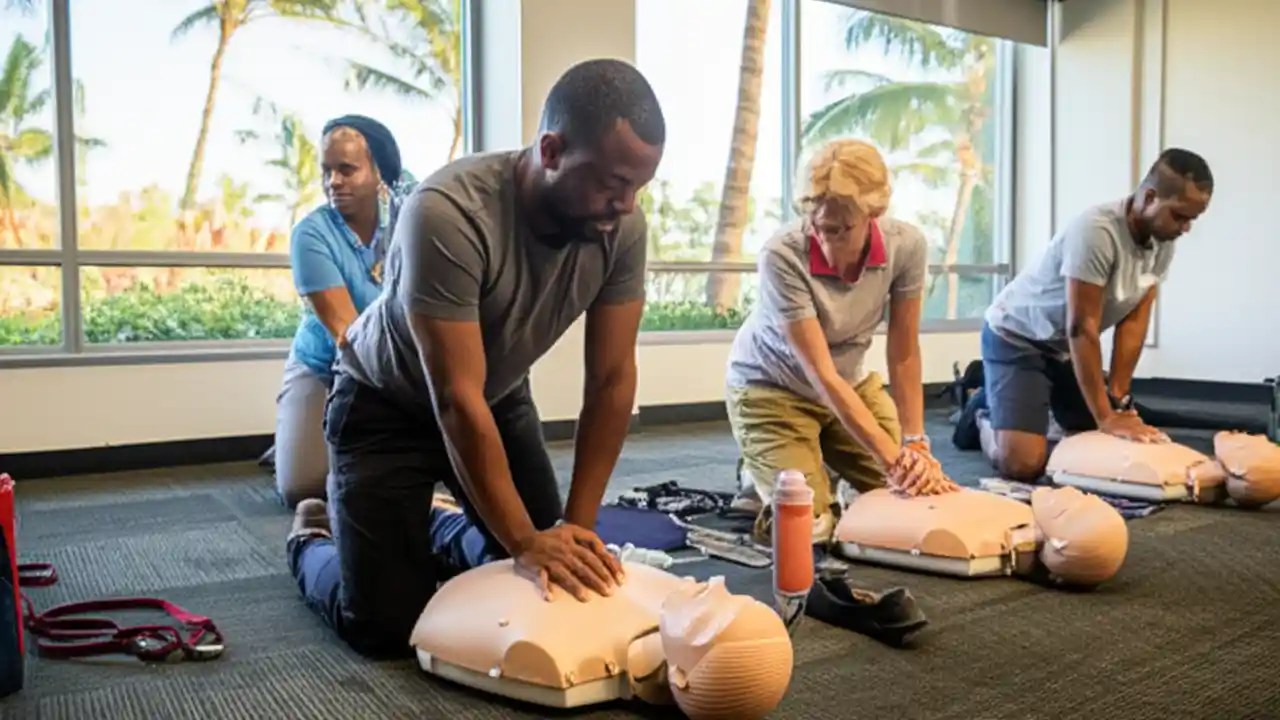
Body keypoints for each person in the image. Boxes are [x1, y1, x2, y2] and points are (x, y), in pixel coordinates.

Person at [285, 58, 666, 658]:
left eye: (638, 187)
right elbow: (454, 399)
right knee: (386, 628)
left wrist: (575, 528)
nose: (624, 204)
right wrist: (523, 538)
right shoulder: (447, 212)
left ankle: (432, 526)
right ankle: (313, 536)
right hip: (385, 404)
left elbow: (613, 380)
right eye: (611, 183)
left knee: (548, 578)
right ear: (551, 150)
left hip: (497, 394)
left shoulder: (622, 227)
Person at [724, 138, 957, 546]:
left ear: (874, 214)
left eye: (839, 229)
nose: (825, 242)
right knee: (809, 528)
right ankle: (758, 476)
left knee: (918, 495)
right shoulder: (781, 255)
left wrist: (914, 445)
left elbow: (903, 354)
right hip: (772, 390)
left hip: (851, 384)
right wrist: (893, 460)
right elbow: (821, 375)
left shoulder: (907, 246)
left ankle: (827, 465)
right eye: (817, 226)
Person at [973, 147, 1213, 481]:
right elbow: (1081, 328)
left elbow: (1135, 317)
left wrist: (1117, 397)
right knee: (1023, 465)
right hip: (1017, 339)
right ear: (1149, 196)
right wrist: (1106, 417)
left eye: (1192, 219)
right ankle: (984, 414)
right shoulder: (1097, 231)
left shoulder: (1163, 239)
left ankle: (1017, 402)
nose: (1185, 228)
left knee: (1098, 438)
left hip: (1063, 351)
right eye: (1179, 216)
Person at [270, 115, 414, 507]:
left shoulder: (413, 213)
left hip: (402, 365)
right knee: (302, 487)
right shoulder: (311, 234)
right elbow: (349, 339)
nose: (333, 182)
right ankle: (296, 431)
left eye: (347, 170)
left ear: (380, 173)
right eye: (327, 171)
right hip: (328, 363)